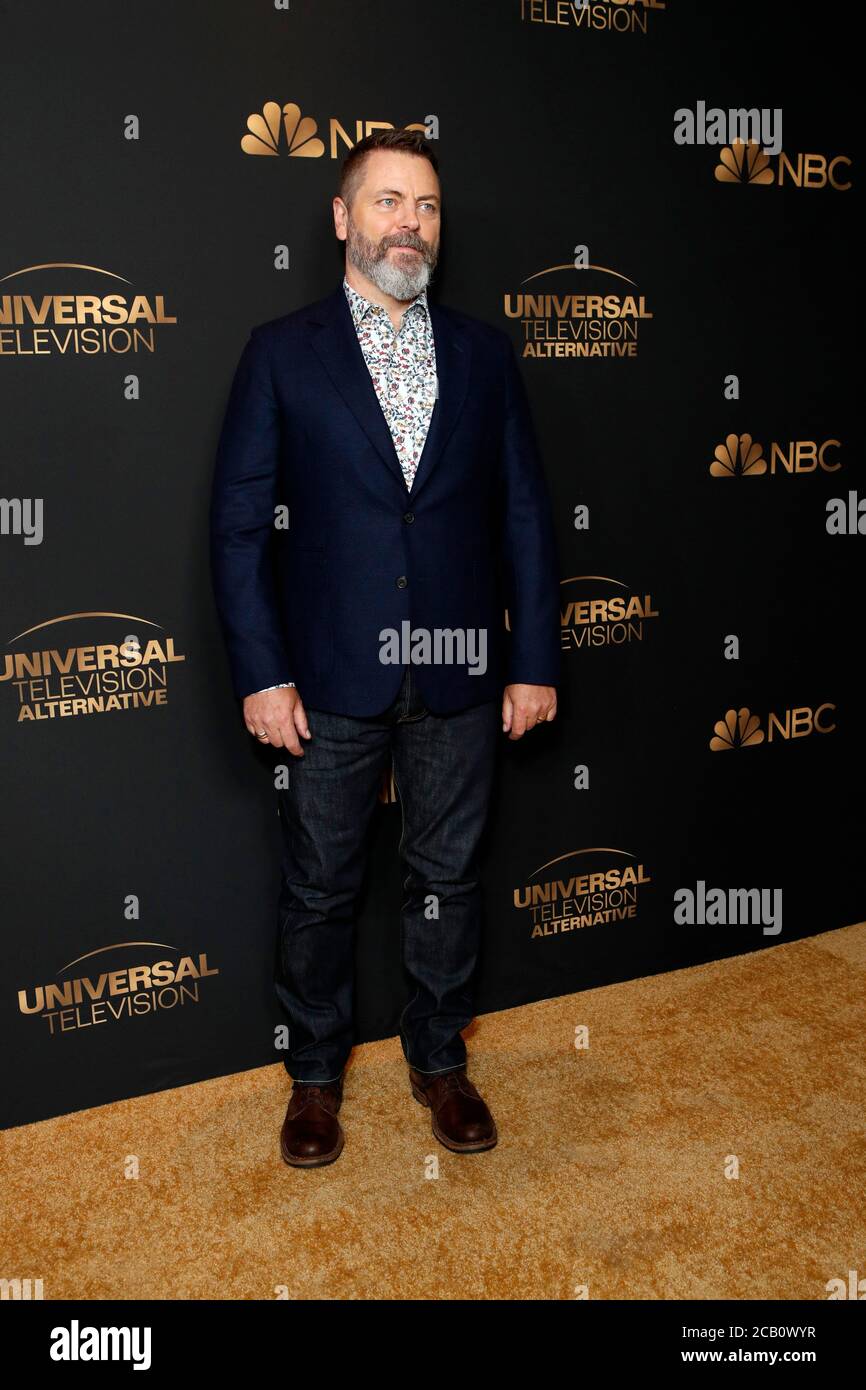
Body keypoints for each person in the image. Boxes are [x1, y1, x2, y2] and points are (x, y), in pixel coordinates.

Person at [210, 127, 560, 1168]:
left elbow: (525, 515)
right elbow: (239, 527)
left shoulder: (485, 354)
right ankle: (314, 1077)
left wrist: (534, 659)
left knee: (447, 875)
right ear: (342, 217)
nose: (411, 223)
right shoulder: (281, 352)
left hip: (459, 669)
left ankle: (440, 1058)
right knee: (319, 886)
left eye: (428, 206)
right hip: (327, 672)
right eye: (389, 201)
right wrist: (263, 672)